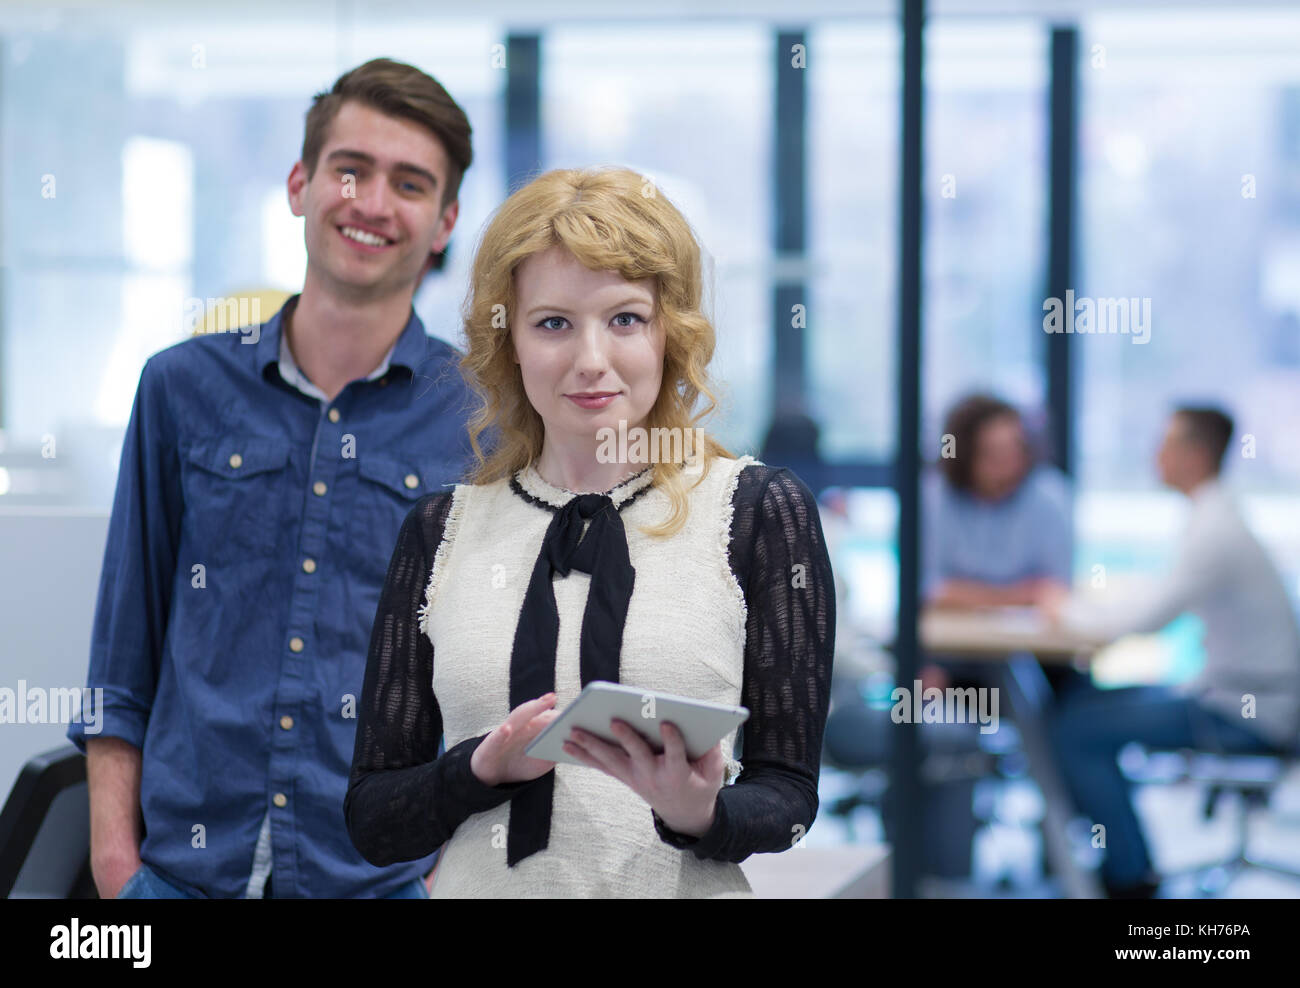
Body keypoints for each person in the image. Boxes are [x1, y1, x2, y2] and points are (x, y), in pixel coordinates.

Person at [344, 167, 836, 897]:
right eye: (553, 324)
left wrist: (700, 812)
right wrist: (478, 770)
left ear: (671, 332)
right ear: (508, 340)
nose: (591, 360)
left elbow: (789, 796)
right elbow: (373, 818)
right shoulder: (440, 530)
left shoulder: (758, 512)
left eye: (625, 319)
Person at [68, 58, 478, 898]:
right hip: (179, 881)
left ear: (444, 222)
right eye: (349, 169)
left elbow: (494, 685)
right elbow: (123, 653)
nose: (370, 203)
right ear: (300, 183)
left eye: (409, 183)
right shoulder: (180, 388)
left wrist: (445, 880)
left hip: (381, 884)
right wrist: (117, 870)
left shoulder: (480, 420)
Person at [1042, 406, 1300, 898]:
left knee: (1073, 729)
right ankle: (1116, 857)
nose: (1154, 455)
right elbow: (1154, 599)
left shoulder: (1214, 530)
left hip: (1244, 712)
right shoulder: (1214, 518)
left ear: (1195, 454)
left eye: (1165, 443)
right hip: (1232, 694)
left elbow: (1146, 622)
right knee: (1080, 703)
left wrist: (1062, 612)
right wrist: (1077, 608)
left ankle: (1129, 877)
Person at [921, 393, 1077, 693]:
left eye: (1014, 450)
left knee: (1044, 695)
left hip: (1035, 657)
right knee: (921, 692)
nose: (1006, 465)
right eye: (991, 453)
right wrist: (1020, 594)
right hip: (948, 655)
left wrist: (967, 594)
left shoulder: (1050, 496)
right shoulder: (932, 496)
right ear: (966, 453)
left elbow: (1055, 591)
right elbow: (931, 590)